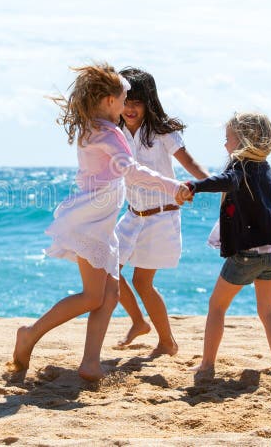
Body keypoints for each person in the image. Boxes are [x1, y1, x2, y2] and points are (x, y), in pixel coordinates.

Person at [11, 62, 192, 381]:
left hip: (99, 224)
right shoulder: (108, 135)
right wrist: (173, 186)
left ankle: (90, 363)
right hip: (89, 225)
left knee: (108, 296)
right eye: (123, 99)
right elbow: (133, 171)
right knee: (94, 296)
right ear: (109, 101)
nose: (125, 106)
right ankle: (30, 334)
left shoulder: (97, 129)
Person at [113, 67, 209, 357]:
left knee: (142, 281)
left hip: (161, 216)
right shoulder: (114, 131)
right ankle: (139, 322)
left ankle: (167, 341)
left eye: (137, 102)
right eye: (125, 101)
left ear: (149, 102)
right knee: (107, 271)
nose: (130, 108)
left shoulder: (162, 131)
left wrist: (211, 184)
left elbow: (189, 162)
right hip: (132, 215)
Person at [186, 112, 271, 374]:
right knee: (268, 311)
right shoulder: (263, 167)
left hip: (248, 255)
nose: (225, 145)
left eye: (228, 138)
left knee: (216, 306)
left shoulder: (239, 168)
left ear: (244, 140)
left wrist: (194, 186)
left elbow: (225, 181)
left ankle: (207, 365)